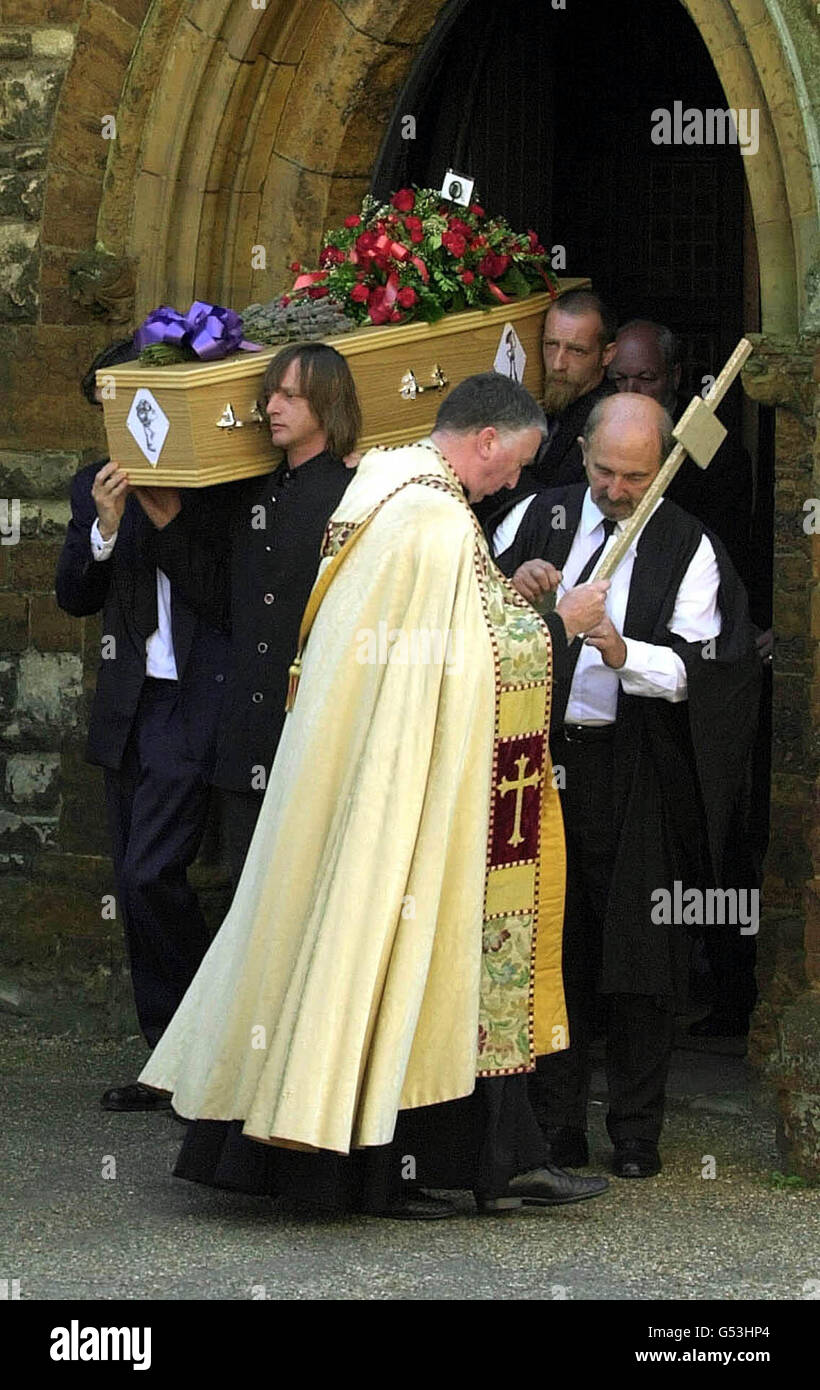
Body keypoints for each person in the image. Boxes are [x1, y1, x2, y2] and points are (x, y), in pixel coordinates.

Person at [139, 373, 611, 1219]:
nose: (513, 484)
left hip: (368, 772)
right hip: (397, 787)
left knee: (383, 958)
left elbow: (446, 638)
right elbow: (471, 668)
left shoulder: (383, 485)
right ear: (489, 440)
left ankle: (476, 1159)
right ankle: (369, 1169)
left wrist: (510, 605)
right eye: (517, 463)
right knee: (383, 957)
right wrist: (560, 626)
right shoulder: (430, 517)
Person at [495, 393, 760, 1178]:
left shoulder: (690, 546)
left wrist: (619, 649)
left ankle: (637, 1134)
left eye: (636, 477)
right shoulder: (534, 518)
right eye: (606, 471)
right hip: (543, 762)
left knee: (644, 955)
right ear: (581, 455)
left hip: (638, 764)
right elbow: (470, 617)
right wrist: (518, 593)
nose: (617, 490)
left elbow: (702, 673)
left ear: (665, 469)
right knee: (553, 945)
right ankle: (555, 1128)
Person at [56, 340, 231, 1112]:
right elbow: (72, 597)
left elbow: (227, 600)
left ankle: (205, 1045)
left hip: (193, 709)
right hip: (129, 711)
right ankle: (168, 1059)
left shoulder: (217, 488)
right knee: (136, 890)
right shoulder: (90, 486)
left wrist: (165, 519)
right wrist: (103, 526)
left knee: (150, 875)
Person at [134, 343, 361, 887]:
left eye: (289, 395)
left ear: (326, 403)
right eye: (269, 395)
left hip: (312, 734)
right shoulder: (256, 490)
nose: (272, 408)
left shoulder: (357, 492)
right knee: (244, 896)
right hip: (246, 737)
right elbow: (225, 602)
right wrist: (170, 526)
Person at [610, 319, 763, 1036]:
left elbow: (728, 533)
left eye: (646, 380)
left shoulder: (710, 451)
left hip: (706, 647)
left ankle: (731, 989)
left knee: (718, 833)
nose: (635, 391)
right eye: (624, 382)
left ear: (673, 378)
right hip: (626, 694)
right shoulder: (597, 446)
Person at [477, 289, 617, 538]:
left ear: (607, 354)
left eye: (576, 351)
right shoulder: (547, 399)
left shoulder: (609, 423)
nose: (558, 364)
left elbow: (558, 513)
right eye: (551, 345)